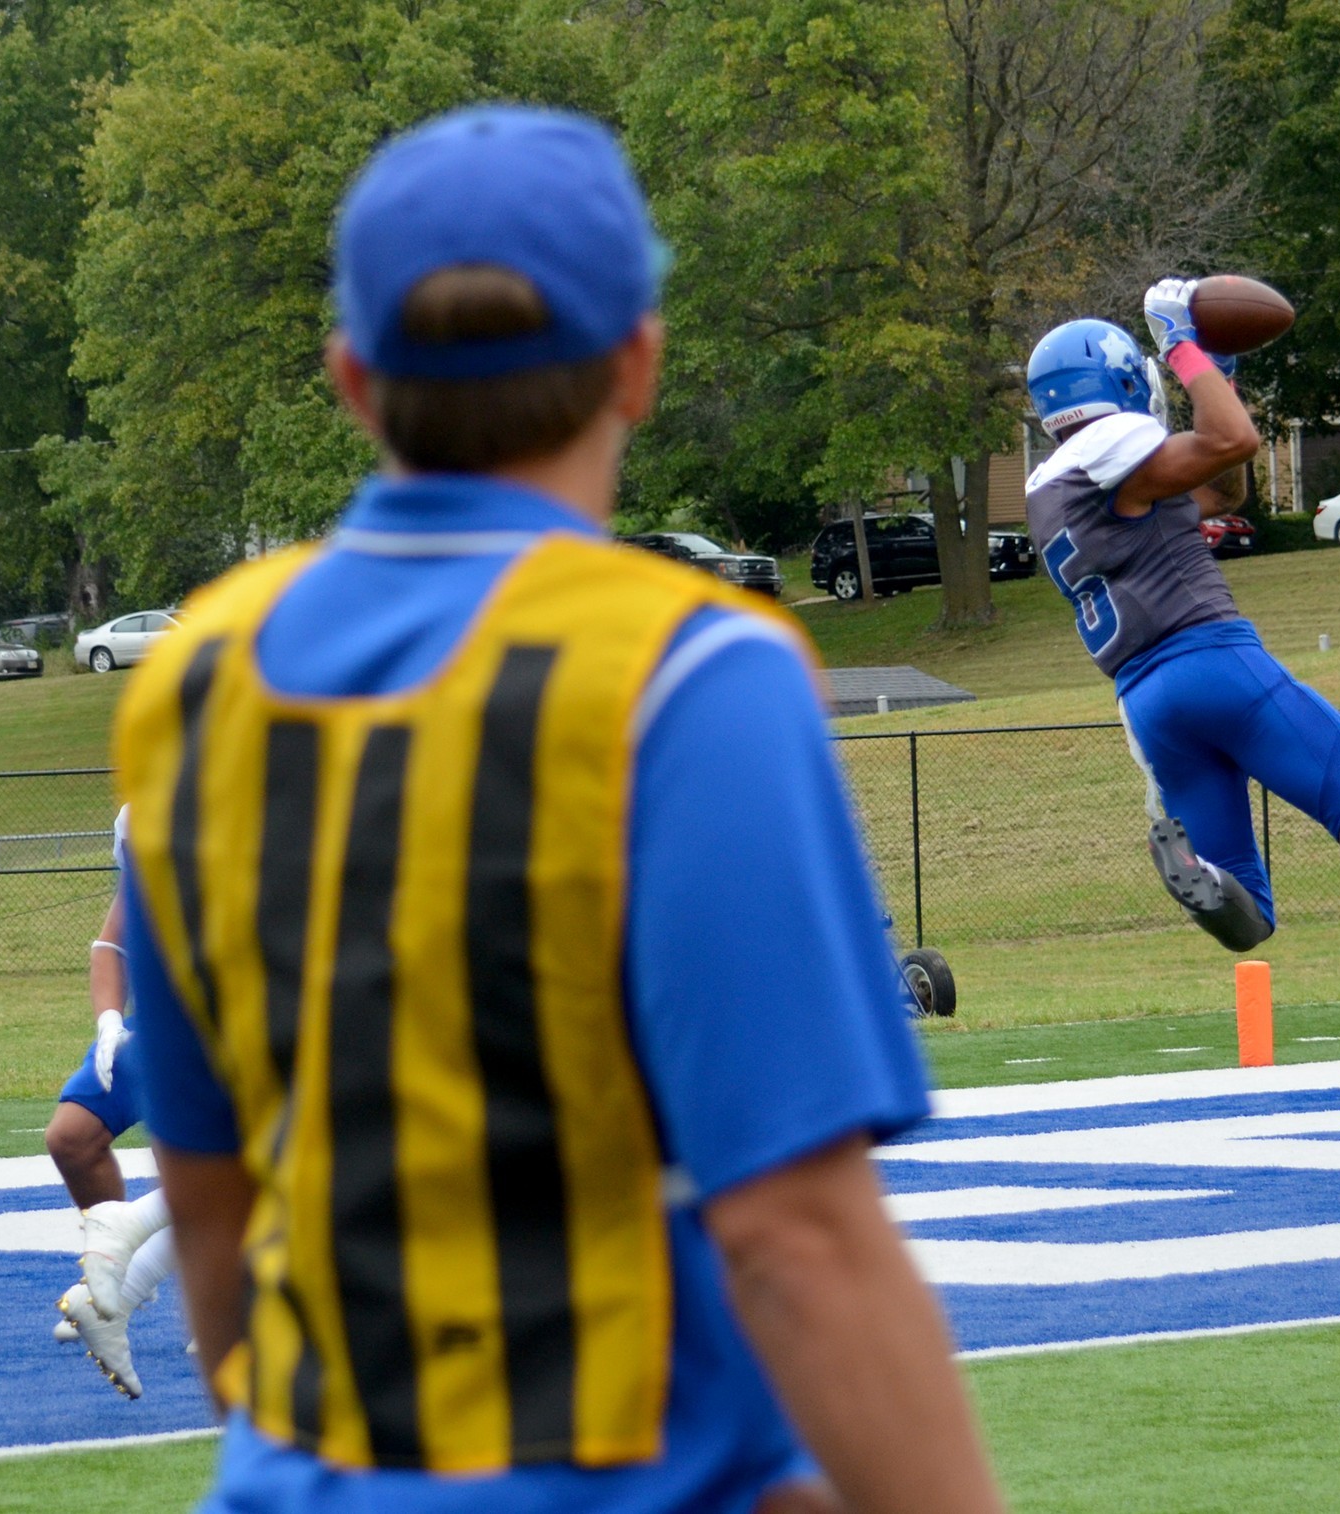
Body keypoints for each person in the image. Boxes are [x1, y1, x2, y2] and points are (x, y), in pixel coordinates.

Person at [115, 105, 1004, 1514]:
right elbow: (798, 1240)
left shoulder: (196, 675)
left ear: (354, 377)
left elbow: (215, 1213)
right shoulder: (689, 670)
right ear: (637, 363)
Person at [1023, 278, 1340, 1079]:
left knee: (1248, 915)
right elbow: (1237, 442)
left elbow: (1220, 484)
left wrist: (1222, 372)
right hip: (1209, 659)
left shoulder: (1050, 486)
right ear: (1122, 376)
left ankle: (1200, 876)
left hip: (1147, 701)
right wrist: (1182, 340)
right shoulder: (1114, 445)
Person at [44, 802, 177, 1396]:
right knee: (71, 1137)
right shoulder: (149, 815)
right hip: (178, 1018)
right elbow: (114, 940)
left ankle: (125, 1282)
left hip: (254, 1010)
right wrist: (107, 1019)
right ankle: (120, 1281)